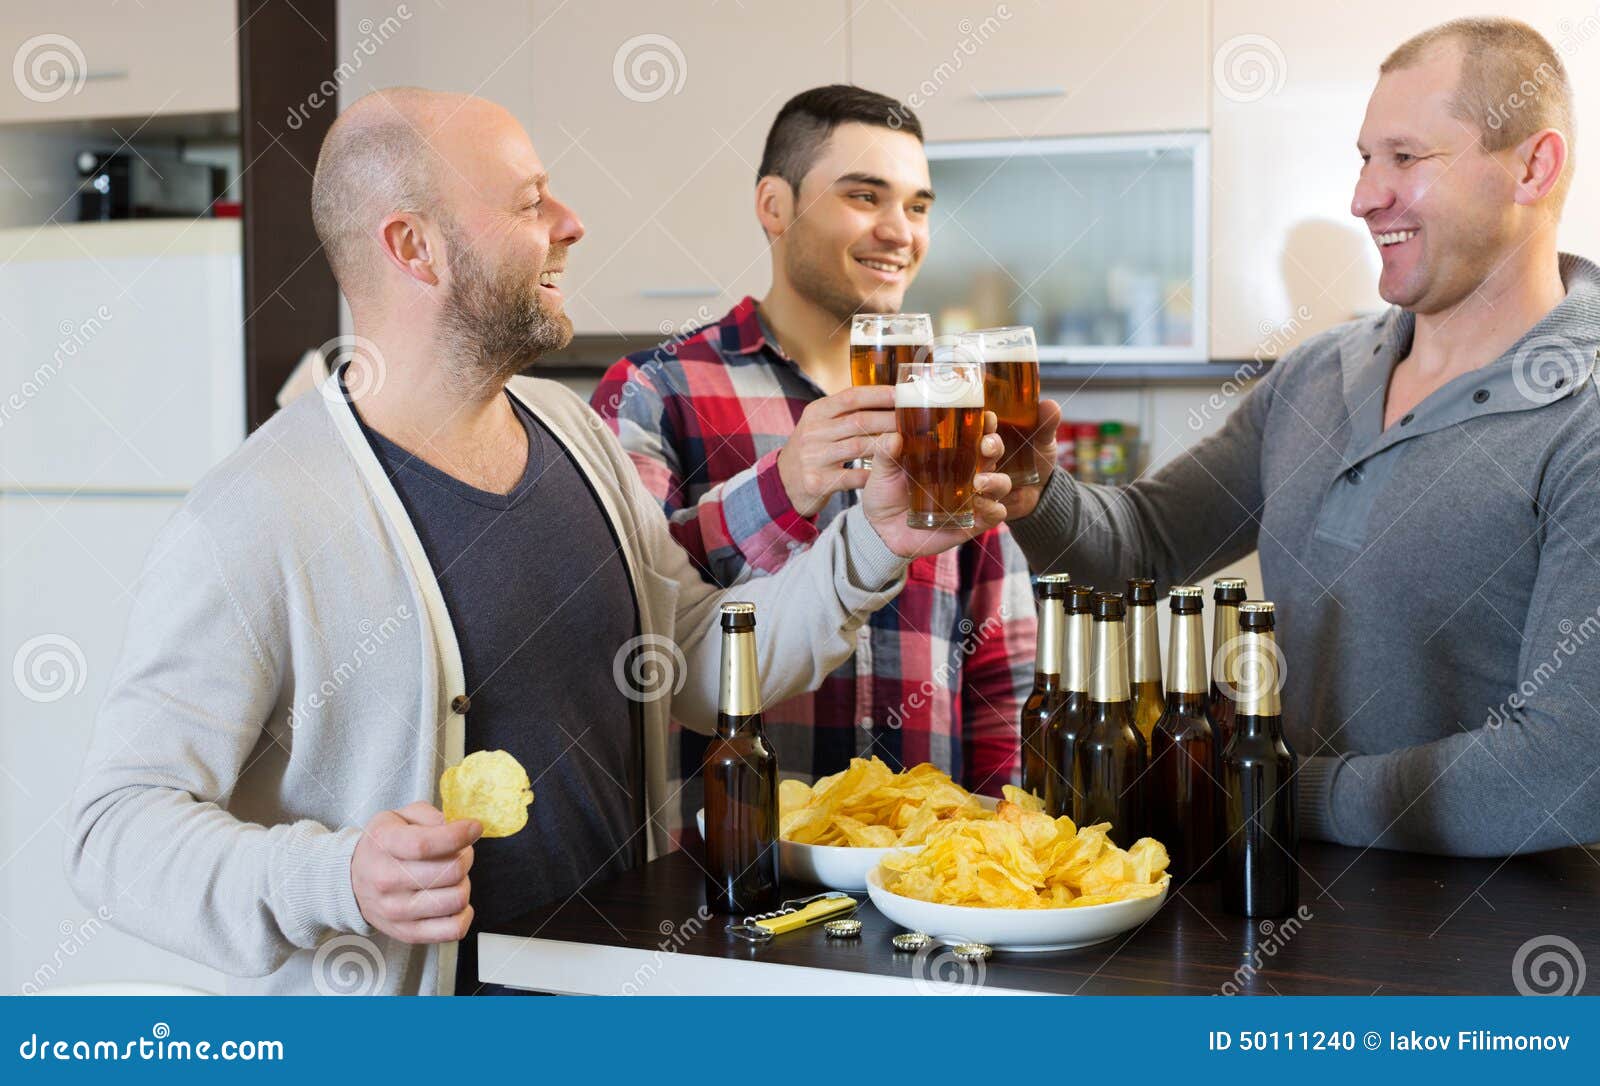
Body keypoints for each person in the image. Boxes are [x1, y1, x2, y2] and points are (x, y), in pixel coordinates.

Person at [64, 87, 1012, 996]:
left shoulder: (571, 432)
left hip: (613, 1001)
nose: (571, 221)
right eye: (529, 201)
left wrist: (874, 545)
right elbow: (112, 833)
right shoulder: (255, 514)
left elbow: (694, 653)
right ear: (415, 248)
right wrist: (338, 876)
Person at [1003, 17, 1600, 857]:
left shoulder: (1585, 415)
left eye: (1406, 157)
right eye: (1364, 158)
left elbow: (1567, 769)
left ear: (1532, 167)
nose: (1364, 195)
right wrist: (1036, 495)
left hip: (1497, 951)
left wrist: (1267, 785)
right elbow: (1143, 546)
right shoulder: (1318, 374)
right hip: (1275, 900)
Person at [592, 86, 1036, 840]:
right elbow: (635, 612)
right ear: (774, 205)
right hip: (729, 868)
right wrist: (785, 486)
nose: (900, 231)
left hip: (922, 873)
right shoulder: (653, 391)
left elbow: (999, 663)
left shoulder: (951, 397)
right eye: (865, 196)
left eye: (919, 206)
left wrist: (1000, 840)